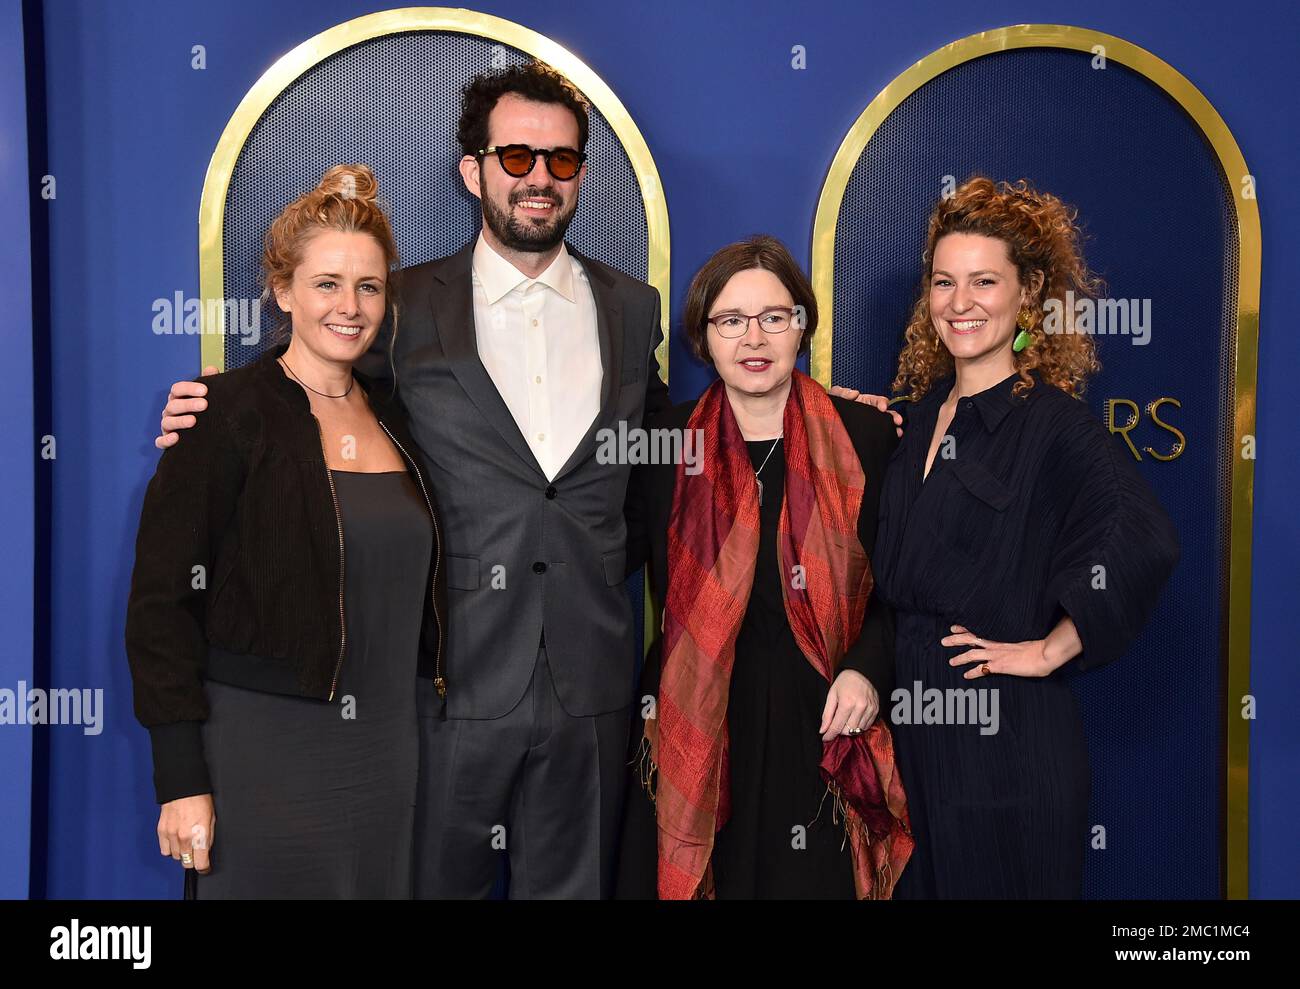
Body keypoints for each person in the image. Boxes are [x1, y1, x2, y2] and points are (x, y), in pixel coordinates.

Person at [156, 64, 669, 899]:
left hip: (592, 683)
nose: (539, 177)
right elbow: (322, 372)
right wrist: (218, 402)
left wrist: (831, 408)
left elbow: (658, 468)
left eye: (563, 161)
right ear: (473, 171)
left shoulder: (632, 307)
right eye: (516, 156)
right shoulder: (398, 302)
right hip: (447, 682)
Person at [126, 164, 446, 898]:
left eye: (369, 286)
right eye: (327, 282)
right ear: (282, 292)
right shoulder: (225, 413)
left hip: (390, 753)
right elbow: (158, 607)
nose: (351, 305)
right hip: (259, 755)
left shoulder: (403, 417)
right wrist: (181, 779)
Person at [871, 177, 1180, 898]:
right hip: (908, 740)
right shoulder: (914, 421)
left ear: (1029, 293)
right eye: (944, 281)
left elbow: (1146, 537)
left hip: (1004, 747)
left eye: (984, 280)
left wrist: (1048, 649)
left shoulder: (1053, 424)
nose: (960, 301)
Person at [616, 236, 913, 899]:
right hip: (699, 716)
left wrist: (868, 666)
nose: (754, 337)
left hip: (825, 722)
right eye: (731, 320)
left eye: (775, 317)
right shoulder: (666, 444)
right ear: (703, 335)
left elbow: (901, 588)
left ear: (802, 325)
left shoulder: (865, 436)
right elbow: (603, 553)